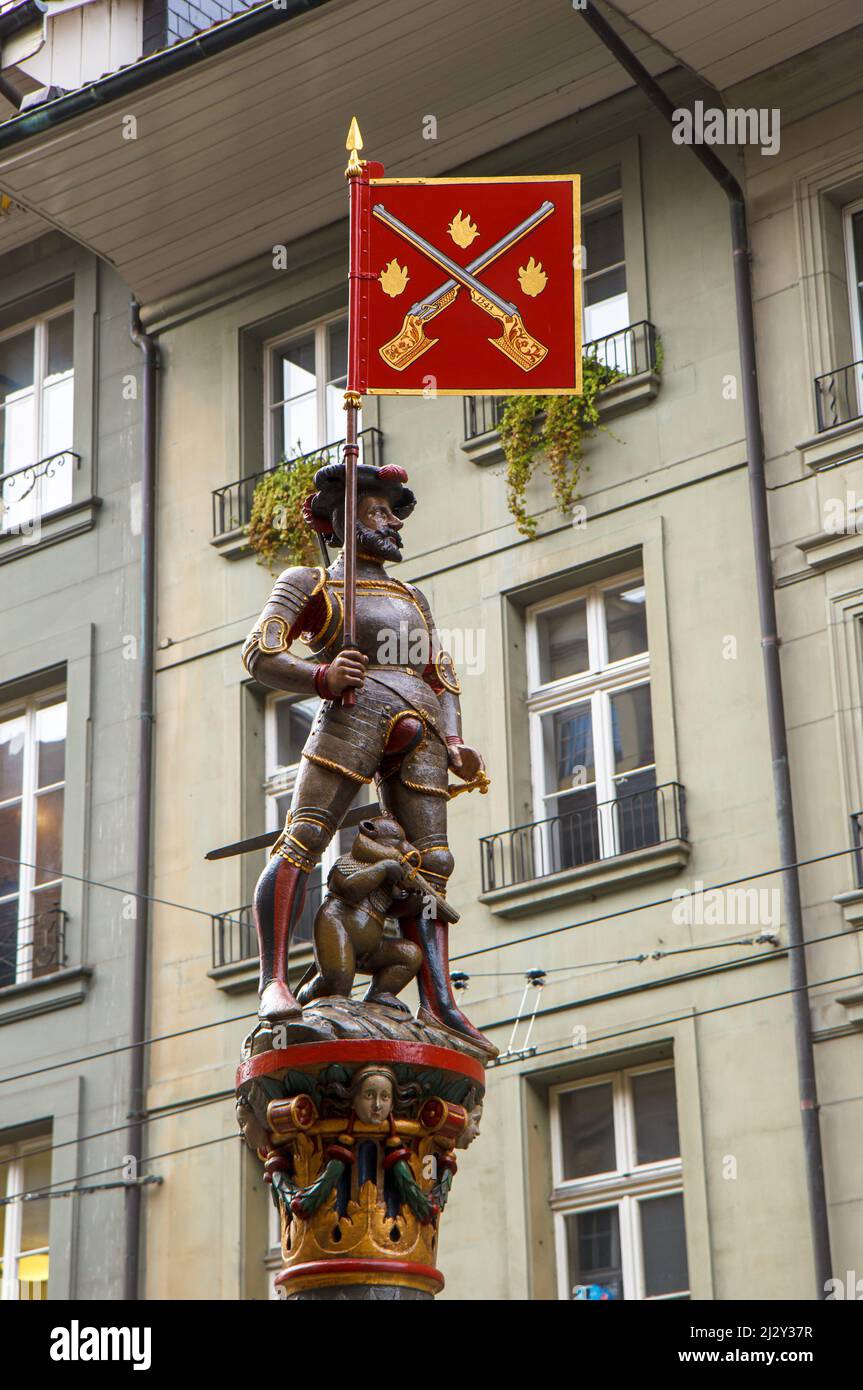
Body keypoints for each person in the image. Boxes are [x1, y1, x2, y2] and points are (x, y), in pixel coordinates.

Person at [242, 459, 493, 1055]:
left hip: (422, 720)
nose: (388, 523)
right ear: (341, 522)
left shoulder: (412, 595)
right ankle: (274, 980)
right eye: (373, 512)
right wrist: (321, 675)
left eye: (389, 513)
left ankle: (438, 1001)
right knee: (304, 837)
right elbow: (260, 652)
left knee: (433, 860)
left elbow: (440, 671)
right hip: (353, 710)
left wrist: (455, 740)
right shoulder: (311, 582)